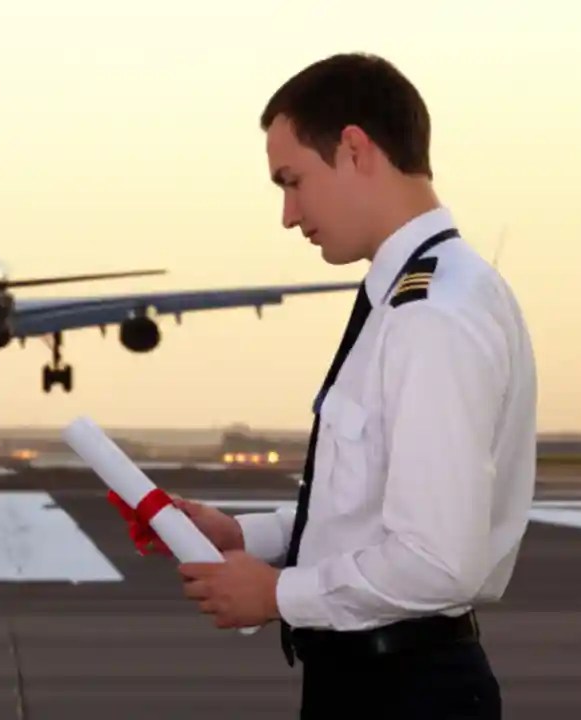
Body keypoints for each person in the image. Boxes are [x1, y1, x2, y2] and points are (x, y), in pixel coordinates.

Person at [171, 52, 538, 718]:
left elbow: (436, 562)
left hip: (401, 690)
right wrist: (242, 535)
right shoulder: (415, 297)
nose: (288, 213)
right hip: (382, 681)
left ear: (353, 148)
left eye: (293, 180)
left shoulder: (432, 316)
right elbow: (374, 505)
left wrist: (278, 595)